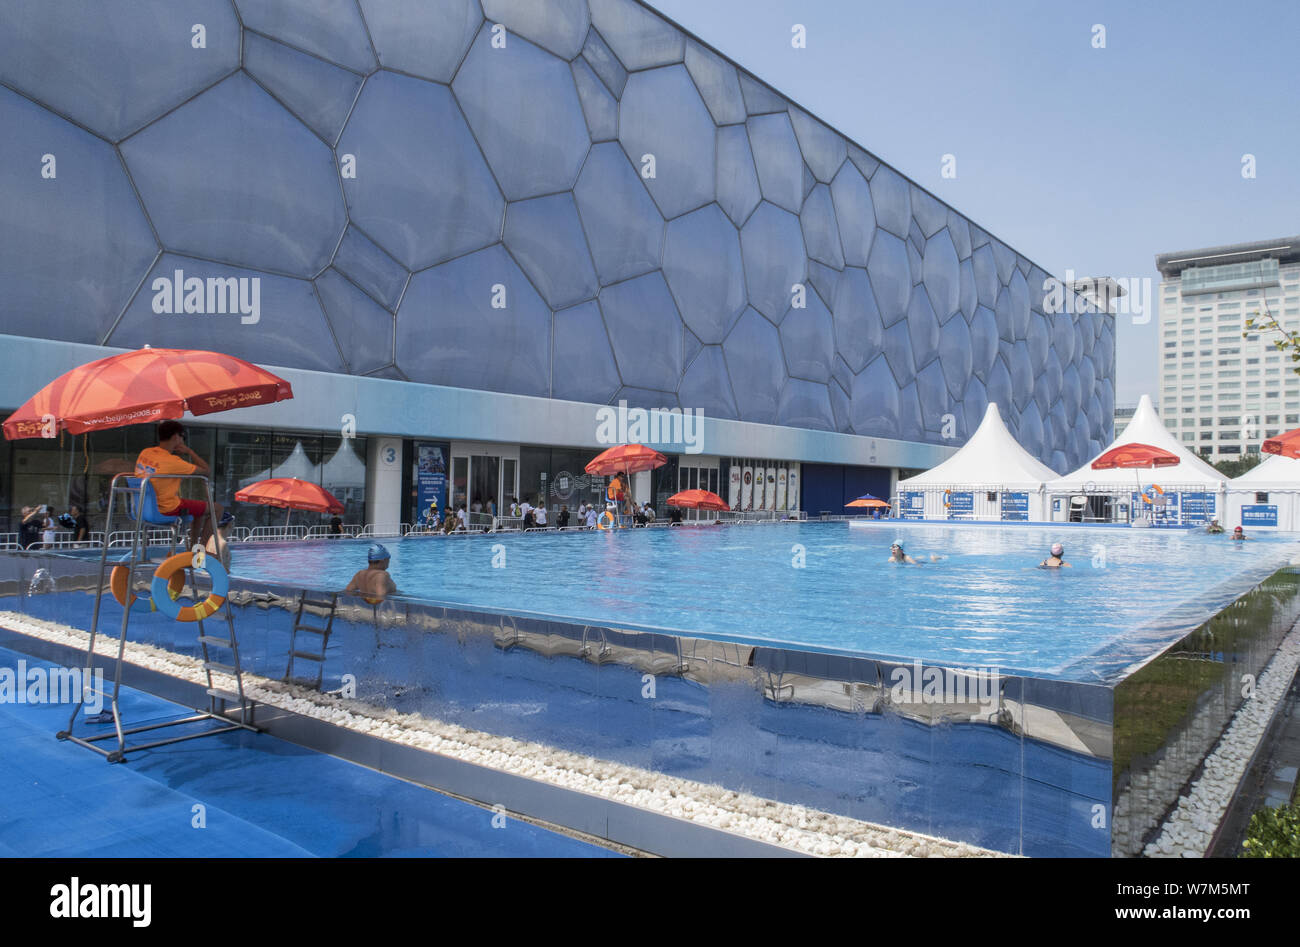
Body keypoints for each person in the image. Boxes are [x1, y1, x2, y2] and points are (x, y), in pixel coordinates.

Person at [135, 420, 222, 547]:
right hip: (167, 508)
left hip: (143, 508)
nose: (183, 440)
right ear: (176, 437)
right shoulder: (174, 461)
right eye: (183, 437)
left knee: (200, 509)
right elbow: (206, 471)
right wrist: (190, 452)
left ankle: (193, 547)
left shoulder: (146, 452)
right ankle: (202, 549)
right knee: (217, 508)